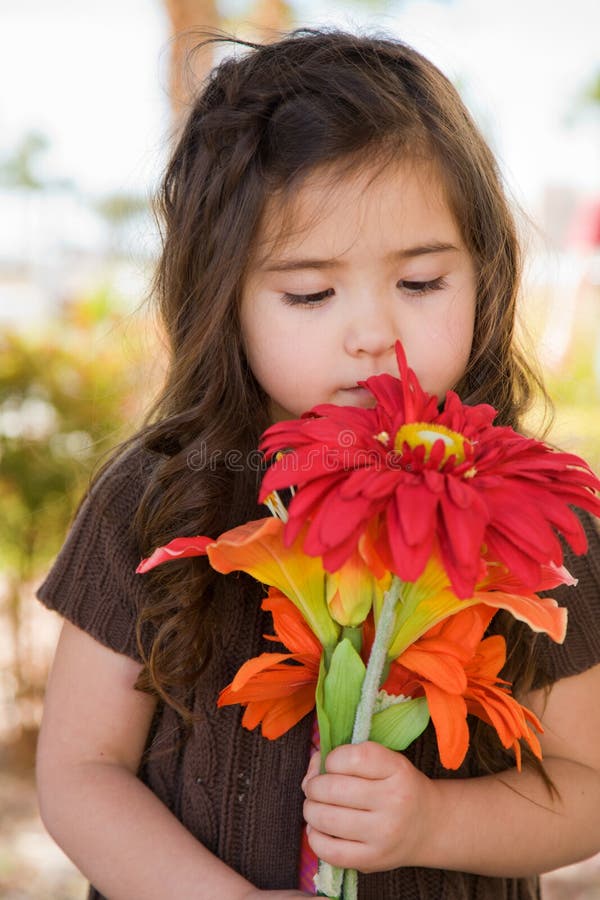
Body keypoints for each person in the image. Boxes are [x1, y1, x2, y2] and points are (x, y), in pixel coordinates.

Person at [35, 28, 600, 900]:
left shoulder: (534, 513)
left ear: (484, 275)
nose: (373, 333)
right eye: (309, 293)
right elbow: (79, 770)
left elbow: (586, 786)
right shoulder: (155, 495)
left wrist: (434, 822)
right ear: (223, 299)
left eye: (420, 284)